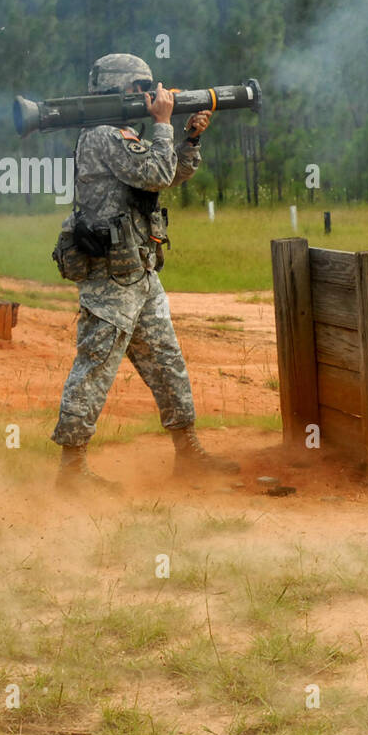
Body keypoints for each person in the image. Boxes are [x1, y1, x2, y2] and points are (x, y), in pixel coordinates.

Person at [51, 52, 239, 490]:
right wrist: (163, 124)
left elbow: (169, 173)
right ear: (128, 90)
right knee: (95, 367)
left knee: (167, 361)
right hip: (110, 277)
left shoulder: (123, 137)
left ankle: (187, 451)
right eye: (145, 87)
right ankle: (72, 470)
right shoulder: (102, 136)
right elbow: (155, 171)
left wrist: (189, 139)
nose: (152, 93)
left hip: (139, 272)